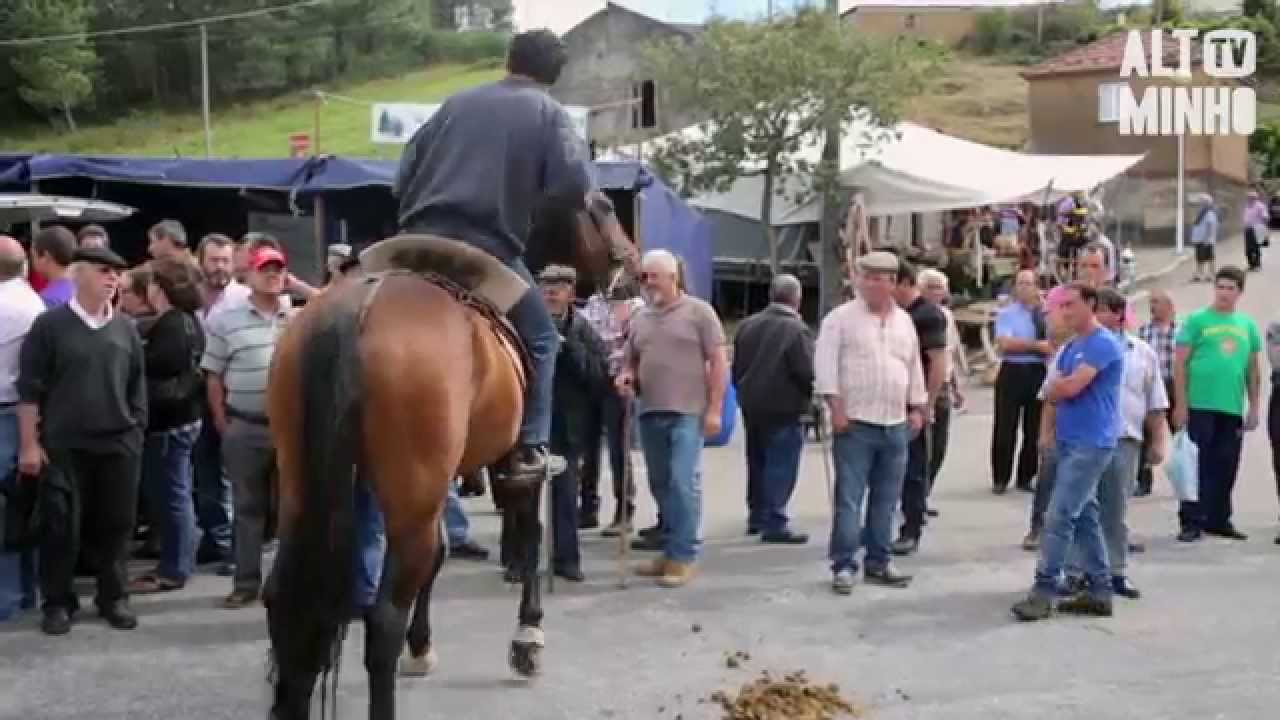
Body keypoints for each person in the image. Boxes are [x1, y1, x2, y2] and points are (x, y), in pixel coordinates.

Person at [392, 29, 594, 482]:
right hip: (483, 249)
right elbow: (574, 187)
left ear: (508, 59)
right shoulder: (548, 112)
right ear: (555, 74)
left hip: (414, 242)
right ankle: (531, 448)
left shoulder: (455, 102)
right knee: (543, 338)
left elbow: (403, 175)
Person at [17, 246, 146, 635]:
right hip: (64, 445)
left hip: (117, 444)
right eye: (104, 271)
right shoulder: (49, 326)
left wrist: (135, 432)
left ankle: (114, 597)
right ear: (80, 273)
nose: (112, 279)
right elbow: (30, 389)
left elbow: (136, 387)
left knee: (117, 526)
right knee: (61, 528)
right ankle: (58, 602)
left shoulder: (126, 328)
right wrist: (29, 444)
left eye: (117, 273)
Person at [1011, 283, 1124, 622]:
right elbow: (1052, 389)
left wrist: (1060, 386)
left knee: (1059, 516)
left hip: (1092, 443)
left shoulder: (1103, 343)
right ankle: (1099, 589)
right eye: (1062, 307)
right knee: (1085, 515)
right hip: (1070, 439)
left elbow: (1068, 387)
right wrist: (1059, 388)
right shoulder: (1074, 346)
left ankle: (1044, 590)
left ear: (1091, 304)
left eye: (1072, 305)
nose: (1066, 312)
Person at [816, 251, 926, 595]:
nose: (876, 283)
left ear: (894, 283)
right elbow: (826, 366)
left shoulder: (904, 322)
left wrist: (918, 407)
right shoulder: (840, 319)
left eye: (884, 278)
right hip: (856, 423)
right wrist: (835, 407)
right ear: (858, 280)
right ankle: (844, 564)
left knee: (887, 498)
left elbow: (913, 366)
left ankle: (879, 560)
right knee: (849, 498)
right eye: (869, 277)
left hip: (895, 422)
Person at [617, 249, 727, 589]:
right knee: (661, 484)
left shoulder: (699, 312)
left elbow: (719, 361)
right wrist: (626, 375)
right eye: (645, 277)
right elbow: (630, 360)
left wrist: (715, 409)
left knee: (682, 482)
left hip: (687, 411)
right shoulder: (641, 318)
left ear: (673, 277)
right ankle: (669, 550)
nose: (649, 283)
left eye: (655, 276)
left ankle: (684, 555)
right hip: (650, 410)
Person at [1062, 288, 1168, 600]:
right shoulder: (1075, 349)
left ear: (1119, 315)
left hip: (1124, 440)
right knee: (1078, 507)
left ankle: (1115, 571)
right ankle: (1075, 572)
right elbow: (1055, 393)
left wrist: (1158, 441)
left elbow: (1155, 402)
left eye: (1103, 311)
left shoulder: (1141, 352)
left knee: (1115, 508)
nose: (1097, 317)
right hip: (1084, 440)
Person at [201, 245, 291, 608]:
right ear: (249, 276)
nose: (273, 275)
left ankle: (285, 584)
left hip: (289, 430)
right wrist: (222, 421)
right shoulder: (226, 320)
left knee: (289, 510)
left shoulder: (298, 318)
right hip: (245, 426)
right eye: (265, 269)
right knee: (247, 508)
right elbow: (212, 376)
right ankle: (246, 583)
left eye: (278, 269)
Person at [128, 258, 207, 594]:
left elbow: (158, 367)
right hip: (185, 418)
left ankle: (174, 567)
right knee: (178, 493)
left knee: (173, 496)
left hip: (168, 423)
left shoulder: (173, 324)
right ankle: (178, 561)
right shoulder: (188, 321)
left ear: (159, 288)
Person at [1173, 266, 1261, 543]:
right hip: (1200, 403)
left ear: (1239, 292)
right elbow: (1180, 364)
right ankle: (1191, 520)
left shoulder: (1247, 326)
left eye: (1230, 288)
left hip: (1231, 406)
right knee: (1195, 464)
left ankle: (1219, 518)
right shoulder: (1197, 320)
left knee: (1226, 464)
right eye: (1220, 287)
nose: (1224, 293)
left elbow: (1253, 370)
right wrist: (1181, 403)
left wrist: (1255, 406)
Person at [732, 273, 815, 544]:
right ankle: (775, 520)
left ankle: (756, 514)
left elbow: (737, 366)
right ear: (797, 299)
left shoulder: (746, 325)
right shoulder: (797, 330)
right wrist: (813, 396)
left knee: (756, 460)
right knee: (781, 463)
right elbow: (805, 370)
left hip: (752, 403)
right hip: (785, 404)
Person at [540, 265, 609, 581]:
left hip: (567, 428)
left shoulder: (583, 330)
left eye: (559, 286)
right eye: (546, 285)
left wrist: (567, 347)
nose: (551, 292)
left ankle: (566, 559)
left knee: (565, 495)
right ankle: (518, 559)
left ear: (571, 292)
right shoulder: (527, 326)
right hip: (530, 423)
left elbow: (597, 378)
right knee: (520, 495)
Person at [0, 235, 45, 621]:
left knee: (7, 509)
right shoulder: (33, 301)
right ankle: (27, 593)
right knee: (24, 504)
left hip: (5, 413)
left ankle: (8, 599)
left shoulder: (7, 304)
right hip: (28, 413)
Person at [891, 261, 948, 557]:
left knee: (914, 467)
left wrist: (928, 403)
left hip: (916, 400)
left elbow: (937, 361)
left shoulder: (927, 315)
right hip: (892, 399)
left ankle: (911, 528)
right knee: (892, 467)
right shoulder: (896, 314)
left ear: (903, 283)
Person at [578, 286, 644, 534]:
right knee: (587, 448)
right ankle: (587, 506)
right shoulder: (593, 304)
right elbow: (584, 336)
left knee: (619, 449)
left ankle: (624, 509)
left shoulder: (636, 308)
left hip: (618, 382)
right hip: (592, 381)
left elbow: (631, 346)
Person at [991, 269, 1051, 494]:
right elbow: (1005, 343)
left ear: (1037, 287)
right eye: (1020, 283)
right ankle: (1000, 477)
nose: (1024, 288)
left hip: (1037, 371)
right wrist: (1036, 346)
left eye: (1028, 283)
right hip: (1013, 370)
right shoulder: (1007, 314)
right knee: (1005, 426)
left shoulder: (1044, 313)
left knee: (1033, 427)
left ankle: (1026, 476)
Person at [1136, 290, 1178, 496]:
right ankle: (1143, 480)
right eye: (1151, 302)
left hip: (1173, 385)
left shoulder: (1179, 332)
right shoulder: (1144, 332)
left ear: (1170, 307)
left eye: (1157, 302)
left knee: (1180, 433)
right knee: (1145, 433)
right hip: (1150, 386)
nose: (1153, 307)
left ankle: (1185, 475)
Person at [31, 226, 77, 309]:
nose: (32, 261)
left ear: (45, 256)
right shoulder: (85, 289)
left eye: (33, 256)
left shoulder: (47, 300)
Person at [1189, 194, 1219, 283]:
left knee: (1209, 258)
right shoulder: (1201, 212)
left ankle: (1211, 274)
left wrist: (1208, 239)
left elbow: (1211, 226)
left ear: (1206, 203)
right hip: (1199, 239)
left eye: (1201, 201)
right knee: (1199, 258)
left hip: (1205, 240)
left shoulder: (1209, 212)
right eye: (1200, 201)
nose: (1200, 203)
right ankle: (1199, 274)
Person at [1243, 190, 1269, 271]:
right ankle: (1251, 264)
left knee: (1256, 248)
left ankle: (1257, 265)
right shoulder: (1247, 206)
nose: (1249, 199)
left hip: (1257, 229)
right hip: (1248, 228)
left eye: (1251, 197)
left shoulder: (1260, 206)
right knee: (1248, 249)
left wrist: (1263, 228)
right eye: (1248, 197)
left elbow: (1265, 217)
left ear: (1255, 198)